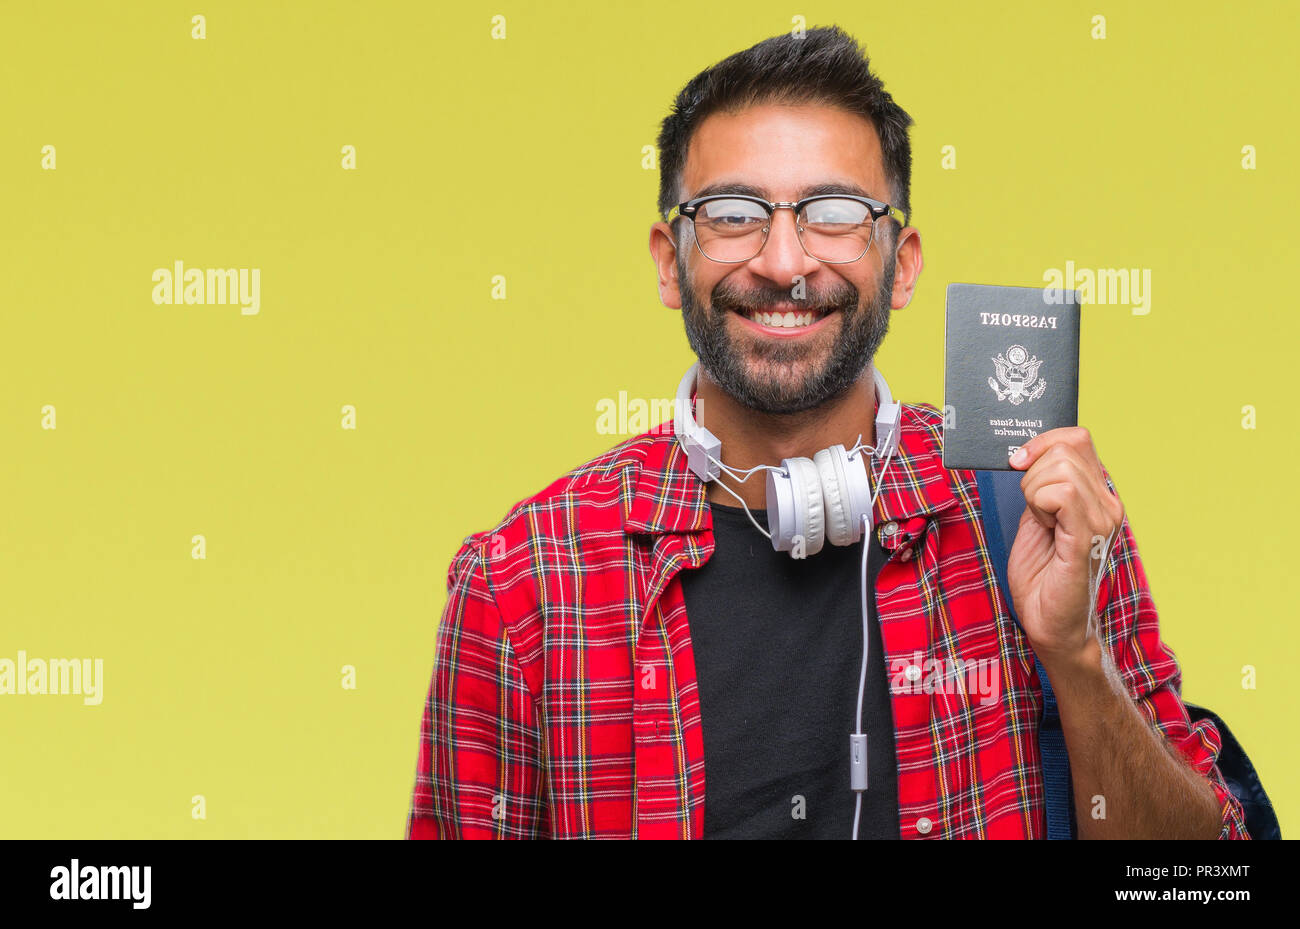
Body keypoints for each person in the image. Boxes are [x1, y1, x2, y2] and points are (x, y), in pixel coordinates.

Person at [405, 25, 1248, 839]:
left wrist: (1076, 654)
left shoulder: (1039, 512)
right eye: (733, 213)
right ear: (670, 261)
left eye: (835, 213)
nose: (784, 263)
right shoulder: (523, 585)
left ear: (902, 265)